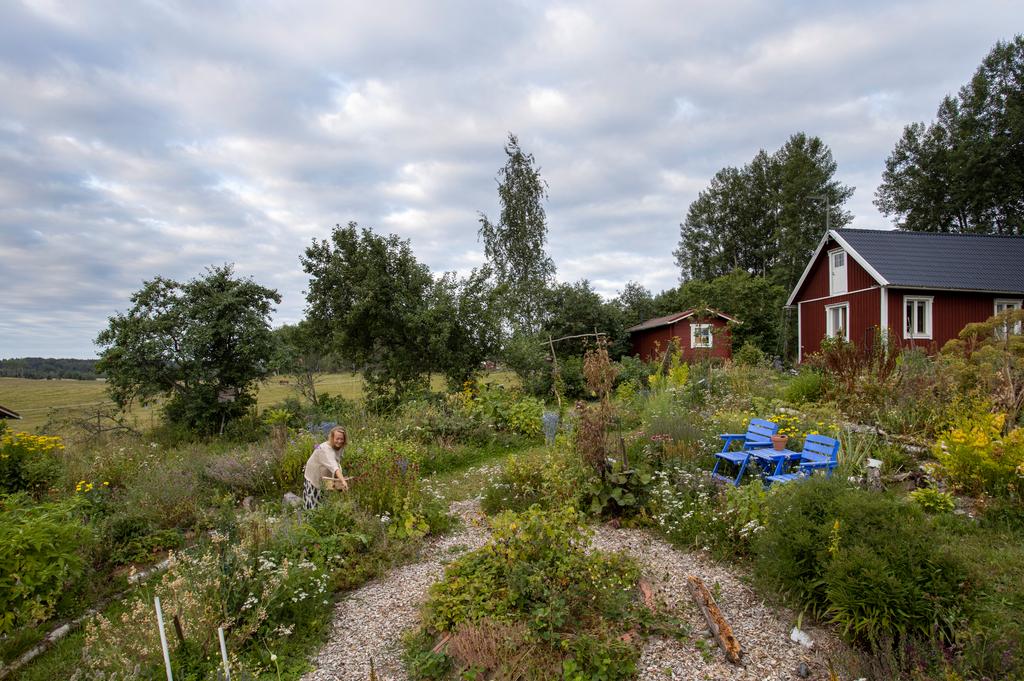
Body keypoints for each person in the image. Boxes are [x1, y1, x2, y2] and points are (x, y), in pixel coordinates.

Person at [303, 426, 349, 510]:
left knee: (325, 500)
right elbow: (334, 466)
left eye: (342, 439)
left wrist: (340, 477)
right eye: (337, 439)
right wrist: (343, 480)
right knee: (313, 501)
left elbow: (337, 461)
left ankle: (324, 517)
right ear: (332, 438)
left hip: (324, 476)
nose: (339, 441)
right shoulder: (325, 449)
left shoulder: (339, 446)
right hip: (314, 474)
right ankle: (310, 519)